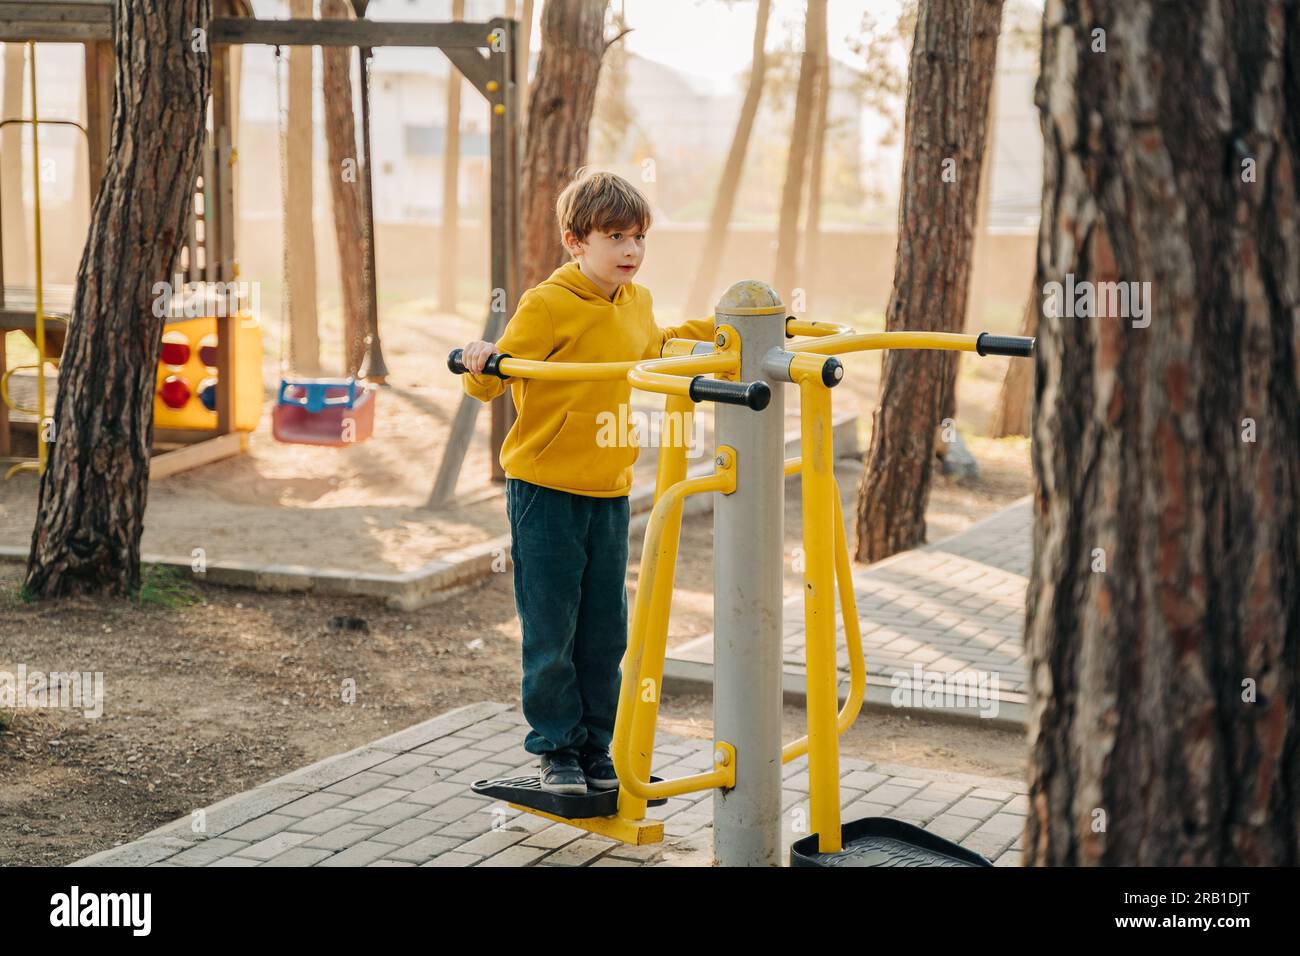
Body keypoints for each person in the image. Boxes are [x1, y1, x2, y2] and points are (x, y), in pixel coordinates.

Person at [459, 168, 715, 794]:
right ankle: (555, 749)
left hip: (609, 484)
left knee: (605, 629)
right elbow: (493, 377)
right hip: (545, 487)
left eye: (639, 237)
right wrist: (479, 358)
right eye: (616, 237)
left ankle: (597, 747)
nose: (631, 251)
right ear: (576, 241)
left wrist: (722, 329)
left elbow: (654, 343)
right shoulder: (546, 304)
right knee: (553, 626)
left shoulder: (638, 301)